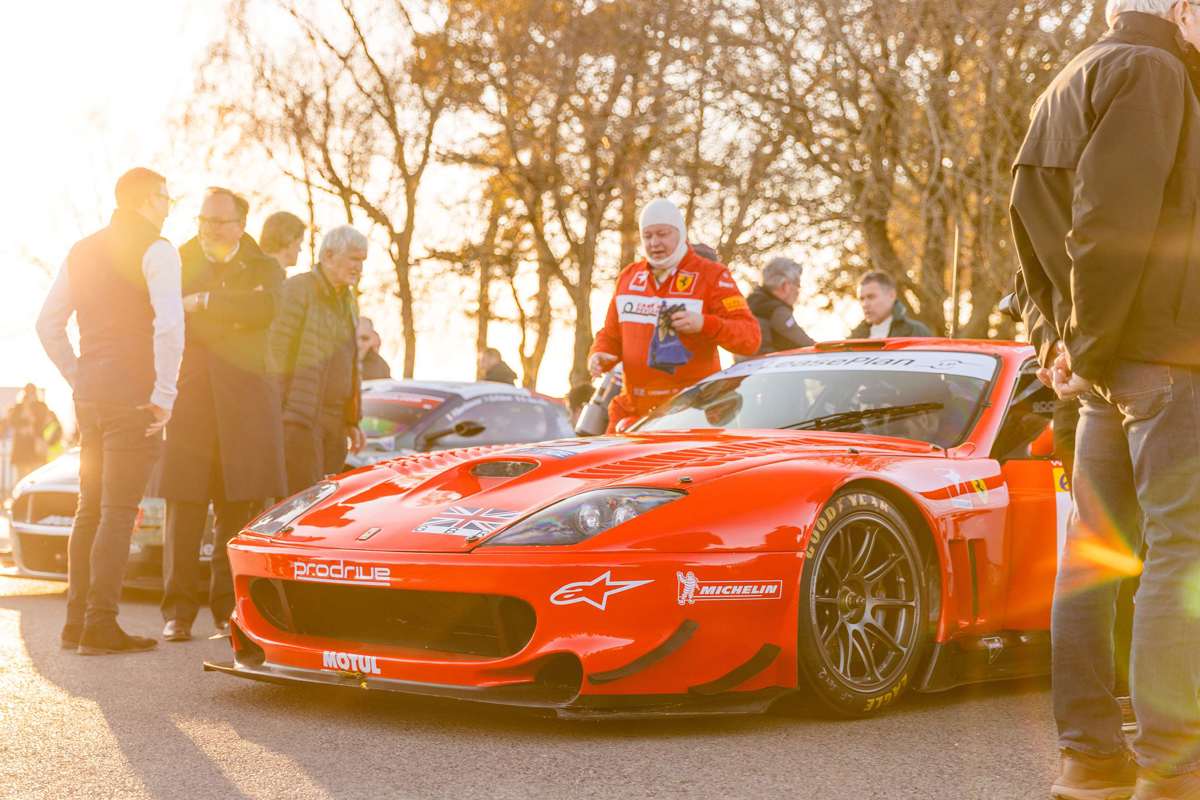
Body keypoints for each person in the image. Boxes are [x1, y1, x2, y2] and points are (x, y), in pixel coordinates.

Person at [1011, 2, 1200, 797]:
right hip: (1159, 357)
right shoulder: (1153, 71)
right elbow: (1107, 221)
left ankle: (1091, 760)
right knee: (1180, 553)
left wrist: (1057, 343)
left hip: (1103, 366)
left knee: (1094, 557)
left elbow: (1027, 232)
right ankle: (1172, 766)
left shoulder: (1069, 77)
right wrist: (1081, 348)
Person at [35, 167, 184, 654]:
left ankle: (76, 624)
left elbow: (47, 323)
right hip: (134, 398)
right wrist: (165, 394)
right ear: (145, 200)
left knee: (89, 510)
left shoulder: (81, 250)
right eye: (165, 197)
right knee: (119, 514)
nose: (168, 206)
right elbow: (168, 326)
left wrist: (79, 376)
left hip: (92, 397)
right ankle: (101, 624)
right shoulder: (157, 249)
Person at [157, 187, 286, 642]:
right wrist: (230, 309)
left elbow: (266, 307)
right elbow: (167, 314)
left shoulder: (265, 266)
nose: (209, 229)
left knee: (235, 513)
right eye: (204, 219)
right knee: (184, 510)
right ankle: (177, 612)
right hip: (190, 402)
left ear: (241, 225)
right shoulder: (176, 259)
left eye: (219, 221)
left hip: (242, 406)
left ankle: (227, 611)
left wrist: (206, 303)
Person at [589, 198, 761, 431]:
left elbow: (750, 338)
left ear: (680, 234)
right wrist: (601, 354)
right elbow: (611, 335)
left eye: (662, 234)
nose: (654, 243)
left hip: (692, 413)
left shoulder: (711, 275)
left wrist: (705, 323)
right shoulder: (629, 276)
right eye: (647, 236)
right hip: (633, 414)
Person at [269, 225, 367, 496]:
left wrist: (352, 419)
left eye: (362, 261)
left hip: (335, 423)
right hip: (301, 418)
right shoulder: (297, 290)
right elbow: (276, 353)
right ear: (329, 255)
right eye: (354, 259)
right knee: (299, 501)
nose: (359, 267)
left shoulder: (348, 300)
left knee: (326, 502)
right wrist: (280, 414)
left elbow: (351, 362)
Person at [746, 256, 814, 355]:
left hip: (746, 367)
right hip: (770, 368)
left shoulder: (749, 304)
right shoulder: (777, 311)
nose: (798, 291)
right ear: (785, 286)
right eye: (797, 285)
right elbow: (806, 345)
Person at [1, 384, 61, 480]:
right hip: (21, 450)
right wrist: (24, 411)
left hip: (36, 450)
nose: (29, 395)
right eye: (27, 392)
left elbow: (54, 425)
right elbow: (11, 422)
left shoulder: (41, 407)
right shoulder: (18, 408)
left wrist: (49, 442)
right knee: (21, 480)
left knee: (37, 479)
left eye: (31, 392)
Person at [848, 272, 932, 339]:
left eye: (871, 297)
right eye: (861, 299)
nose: (865, 304)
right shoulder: (854, 338)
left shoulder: (916, 332)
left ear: (892, 295)